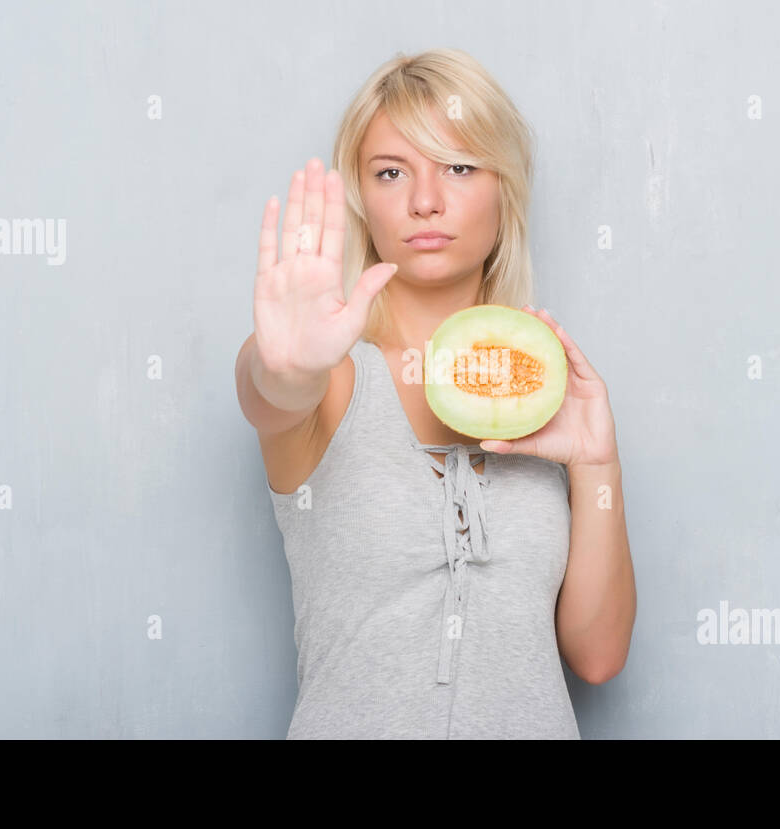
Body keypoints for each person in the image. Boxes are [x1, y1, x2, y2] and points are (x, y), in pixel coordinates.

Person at [234, 48, 635, 739]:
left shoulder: (546, 397)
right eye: (391, 172)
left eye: (458, 167)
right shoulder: (328, 377)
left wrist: (597, 465)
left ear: (505, 188)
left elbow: (597, 657)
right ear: (362, 198)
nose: (425, 199)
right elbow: (270, 392)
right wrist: (285, 366)